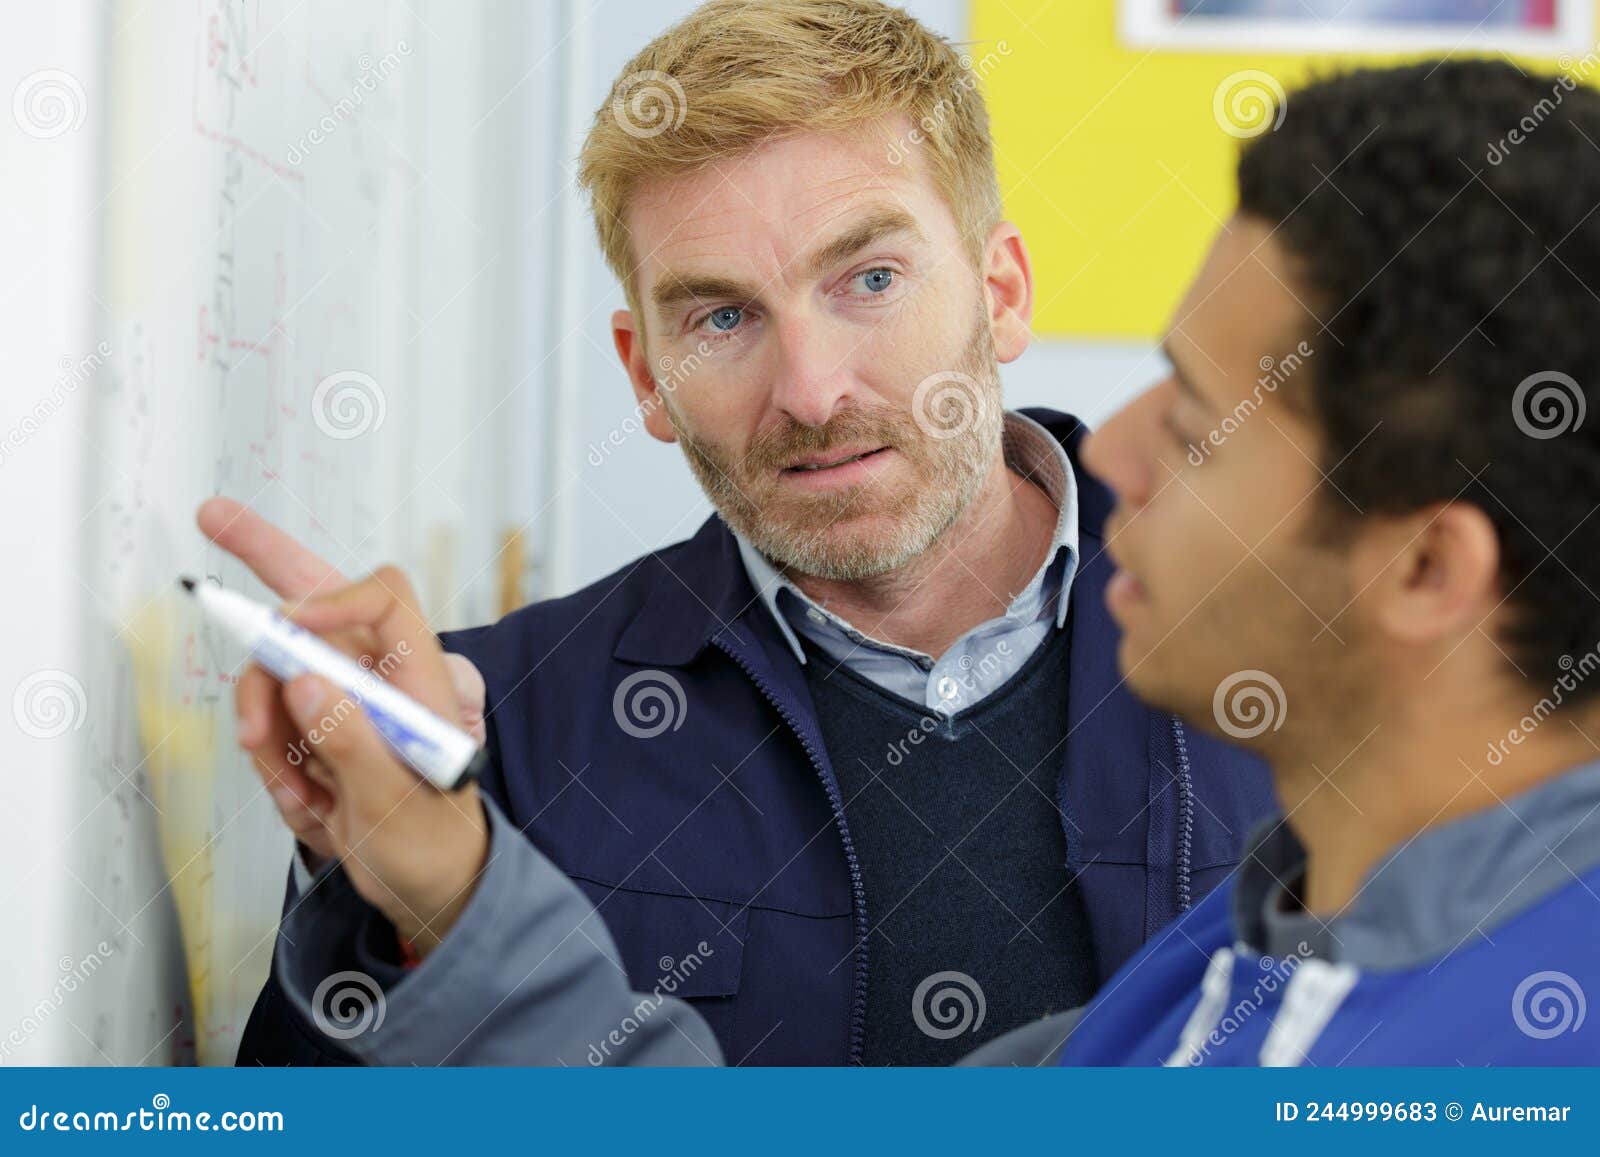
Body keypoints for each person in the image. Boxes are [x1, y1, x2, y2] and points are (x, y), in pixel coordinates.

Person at [230, 57, 1600, 1067]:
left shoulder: (1279, 690)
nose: (813, 389)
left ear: (998, 292)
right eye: (721, 316)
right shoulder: (491, 730)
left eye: (869, 279)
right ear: (644, 373)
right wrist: (414, 885)